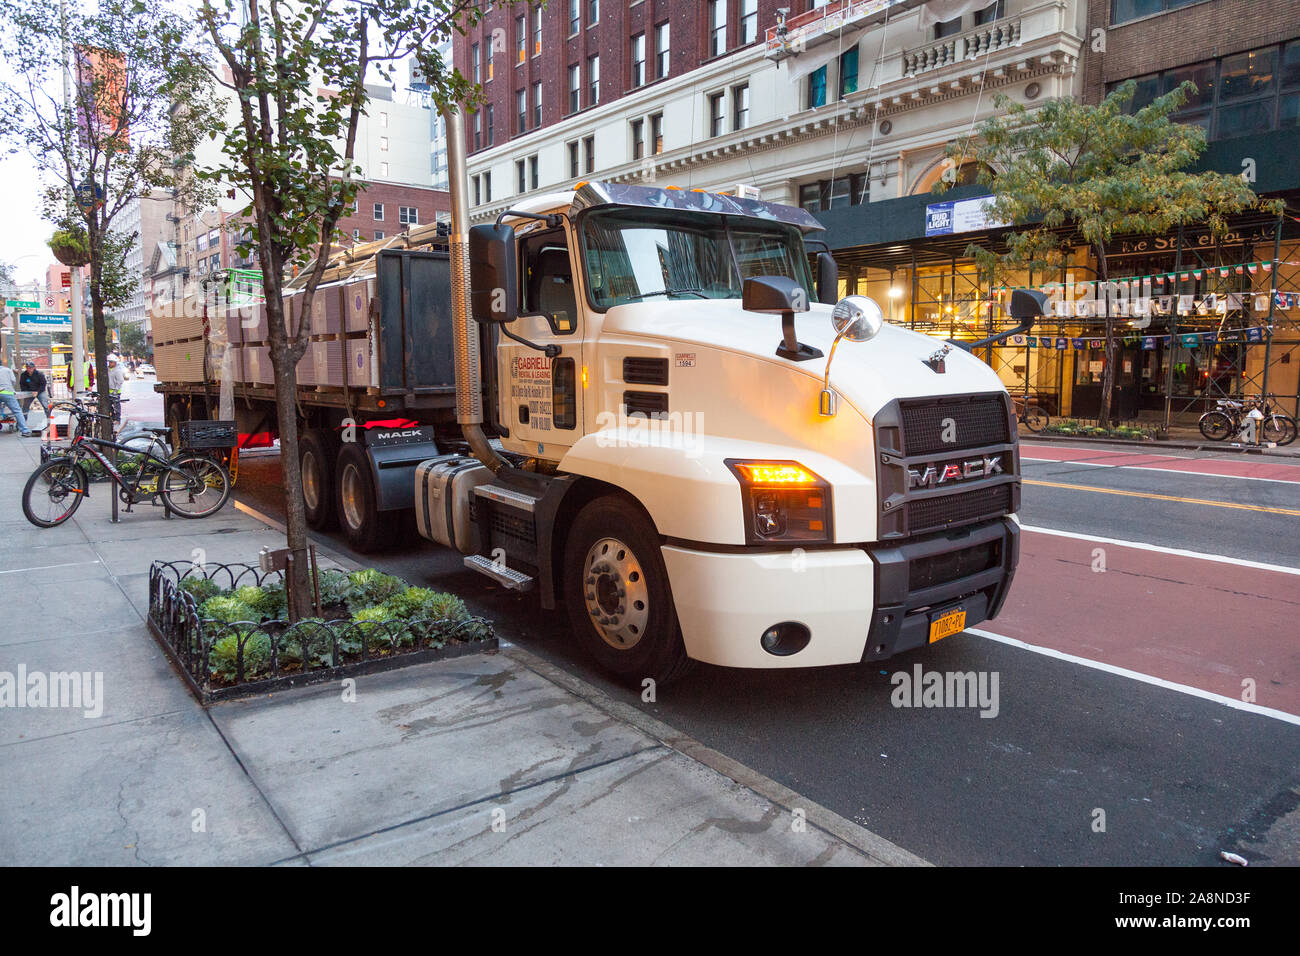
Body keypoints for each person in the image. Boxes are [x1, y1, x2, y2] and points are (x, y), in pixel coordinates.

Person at [0, 363, 40, 437]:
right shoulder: (7, 370)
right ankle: (25, 430)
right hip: (7, 392)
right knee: (17, 411)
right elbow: (13, 381)